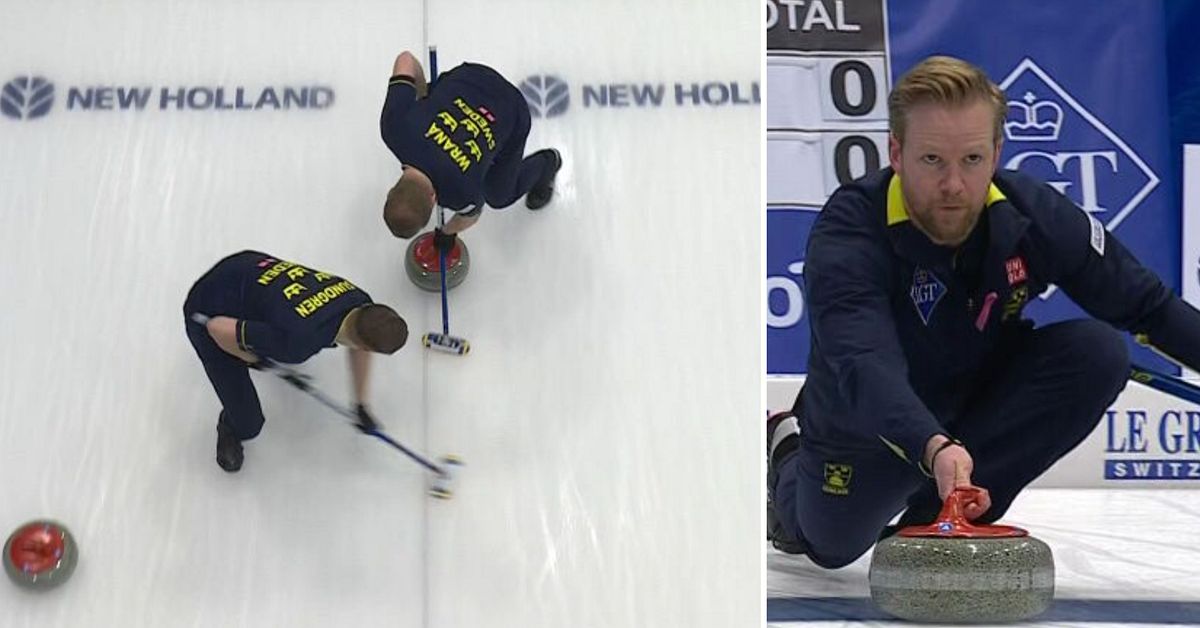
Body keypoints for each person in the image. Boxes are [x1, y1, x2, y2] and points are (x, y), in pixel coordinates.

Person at [766, 55, 1200, 567]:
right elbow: (864, 363)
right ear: (897, 153)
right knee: (828, 547)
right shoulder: (848, 230)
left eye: (972, 159)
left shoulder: (1031, 214)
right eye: (932, 160)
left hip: (971, 394)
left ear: (996, 153)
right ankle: (784, 447)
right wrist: (932, 446)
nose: (954, 184)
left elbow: (1149, 306)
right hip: (868, 418)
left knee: (1097, 353)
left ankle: (933, 526)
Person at [184, 251, 408, 472]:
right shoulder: (297, 342)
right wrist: (254, 359)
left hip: (250, 265)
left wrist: (361, 404)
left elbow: (360, 343)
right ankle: (230, 426)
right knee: (249, 424)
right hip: (205, 309)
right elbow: (217, 328)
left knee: (273, 335)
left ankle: (255, 334)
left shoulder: (358, 300)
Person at [379, 50, 562, 253]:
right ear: (392, 190)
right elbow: (406, 60)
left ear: (433, 199)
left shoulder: (461, 193)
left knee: (499, 195)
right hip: (472, 77)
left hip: (512, 112)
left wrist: (447, 233)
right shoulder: (394, 128)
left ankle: (549, 161)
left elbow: (471, 216)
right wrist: (423, 96)